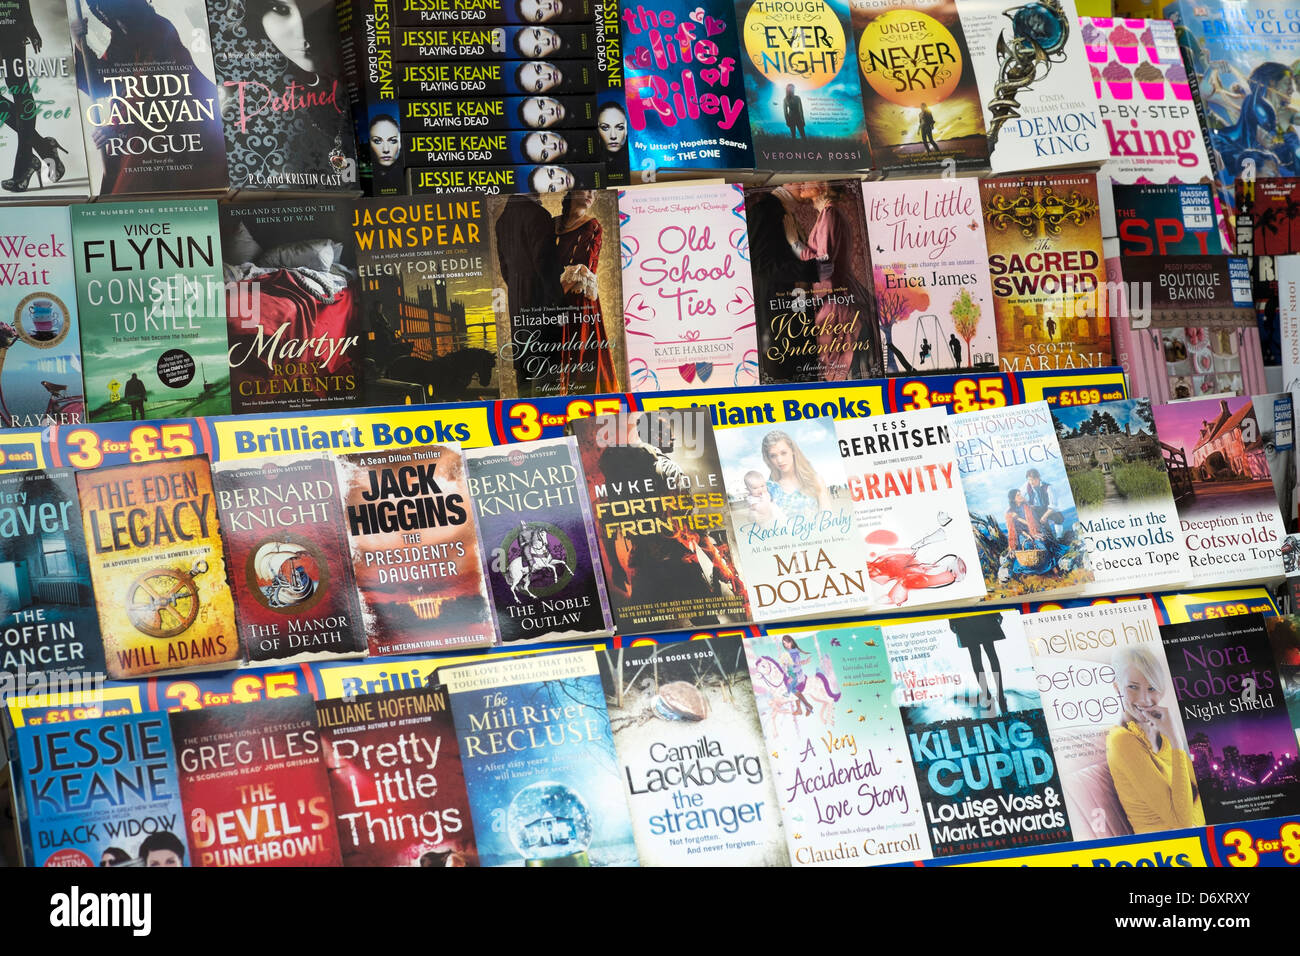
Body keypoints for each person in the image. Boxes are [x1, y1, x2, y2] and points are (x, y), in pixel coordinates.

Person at [71, 0, 226, 194]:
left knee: (134, 190)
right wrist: (80, 45)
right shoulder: (121, 39)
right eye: (94, 6)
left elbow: (147, 89)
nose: (100, 11)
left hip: (174, 131)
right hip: (139, 129)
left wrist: (114, 129)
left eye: (103, 3)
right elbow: (100, 85)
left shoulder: (158, 30)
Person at [1106, 646, 1204, 833]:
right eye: (1133, 687)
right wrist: (1176, 741)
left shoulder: (1160, 729)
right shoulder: (1121, 740)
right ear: (1117, 688)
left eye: (1152, 688)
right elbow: (1181, 823)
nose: (1145, 699)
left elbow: (1197, 789)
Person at [789, 182, 872, 380]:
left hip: (835, 301)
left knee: (835, 364)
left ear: (824, 186)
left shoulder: (830, 214)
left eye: (808, 180)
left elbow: (823, 262)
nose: (801, 184)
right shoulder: (827, 214)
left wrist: (794, 243)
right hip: (833, 297)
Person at [0, 0, 71, 192]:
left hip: (8, 23)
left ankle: (24, 166)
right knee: (17, 88)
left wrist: (28, 24)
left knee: (18, 87)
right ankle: (44, 148)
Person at [495, 193, 563, 392]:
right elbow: (545, 264)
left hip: (517, 299)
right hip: (541, 298)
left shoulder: (503, 219)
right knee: (546, 363)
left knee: (525, 363)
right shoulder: (537, 214)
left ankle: (525, 411)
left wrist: (519, 286)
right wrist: (560, 303)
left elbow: (504, 268)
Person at [555, 189, 616, 393]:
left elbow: (583, 267)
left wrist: (554, 295)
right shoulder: (552, 224)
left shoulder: (592, 225)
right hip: (553, 292)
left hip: (576, 297)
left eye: (594, 191)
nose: (591, 194)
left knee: (578, 346)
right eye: (586, 189)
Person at [761, 429, 829, 519]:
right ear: (768, 459)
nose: (779, 460)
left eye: (783, 453)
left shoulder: (815, 480)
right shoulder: (769, 489)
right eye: (773, 456)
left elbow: (827, 518)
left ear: (793, 451)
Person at [949, 612, 1007, 714]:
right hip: (980, 615)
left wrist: (951, 621)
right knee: (991, 653)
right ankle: (1000, 694)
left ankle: (988, 695)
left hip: (964, 618)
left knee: (976, 657)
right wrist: (996, 613)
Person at [1022, 468, 1063, 538]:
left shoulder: (1048, 487)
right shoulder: (1027, 486)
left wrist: (1045, 516)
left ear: (1038, 478)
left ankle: (1059, 537)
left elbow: (1053, 506)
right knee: (1043, 526)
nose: (1031, 482)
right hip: (1036, 510)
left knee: (1059, 518)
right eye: (1029, 480)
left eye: (1033, 479)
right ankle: (1049, 539)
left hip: (1047, 509)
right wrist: (1028, 505)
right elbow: (1019, 496)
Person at [778, 634, 813, 716]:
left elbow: (796, 665)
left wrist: (791, 675)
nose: (786, 645)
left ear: (792, 641)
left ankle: (808, 706)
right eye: (784, 644)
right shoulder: (792, 651)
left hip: (796, 674)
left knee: (792, 689)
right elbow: (794, 663)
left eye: (787, 643)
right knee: (793, 689)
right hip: (794, 673)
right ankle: (800, 709)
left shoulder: (793, 652)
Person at [1005, 487, 1041, 552]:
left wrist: (1018, 518)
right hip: (1020, 535)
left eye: (1020, 494)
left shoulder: (1026, 507)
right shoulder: (1010, 512)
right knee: (1027, 546)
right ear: (1013, 499)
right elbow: (1016, 529)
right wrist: (1026, 535)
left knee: (1041, 545)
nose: (1021, 496)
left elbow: (1031, 523)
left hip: (1032, 530)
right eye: (1018, 495)